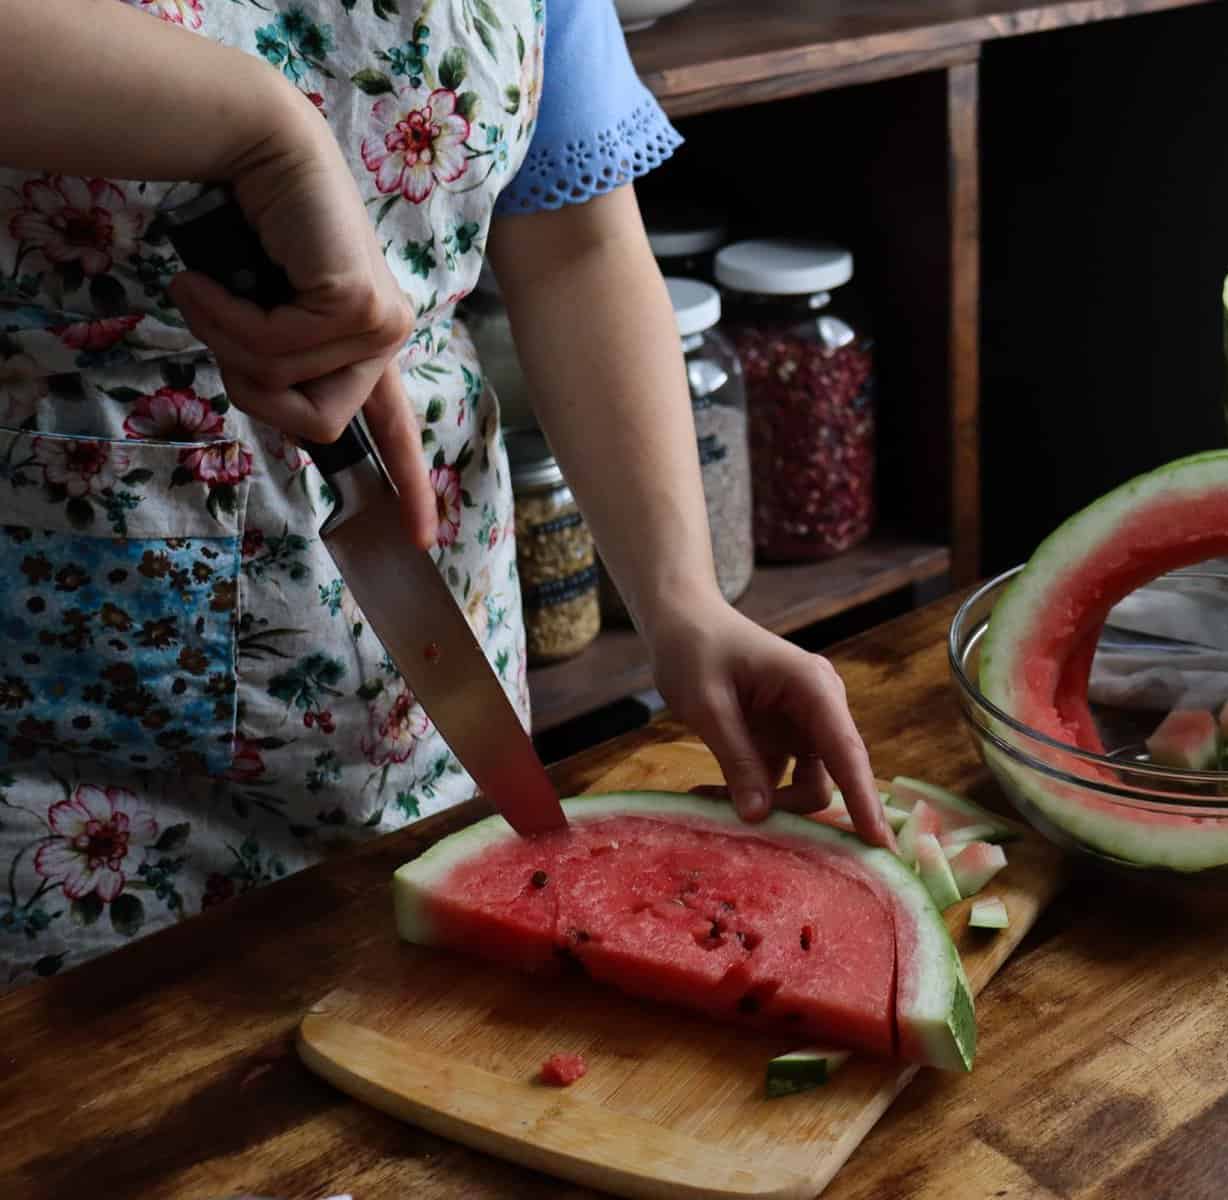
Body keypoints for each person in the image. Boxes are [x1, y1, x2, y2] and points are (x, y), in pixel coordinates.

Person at [0, 0, 890, 990]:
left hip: (421, 682)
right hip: (57, 747)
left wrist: (681, 599)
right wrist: (257, 125)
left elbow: (574, 245)